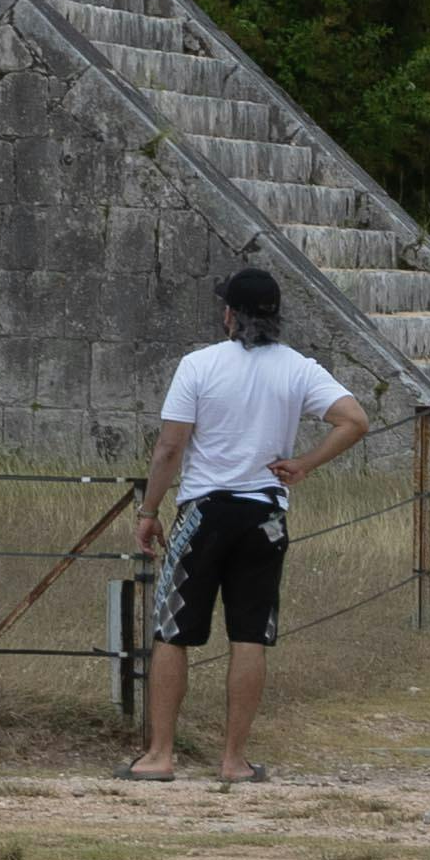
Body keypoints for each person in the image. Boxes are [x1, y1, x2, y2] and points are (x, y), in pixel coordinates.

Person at [122, 266, 368, 786]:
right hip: (265, 515)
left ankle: (161, 754)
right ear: (275, 317)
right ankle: (233, 761)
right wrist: (304, 463)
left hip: (205, 512)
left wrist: (149, 511)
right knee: (250, 634)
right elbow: (354, 420)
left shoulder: (199, 366)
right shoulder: (300, 369)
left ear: (230, 314)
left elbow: (170, 447)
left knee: (173, 632)